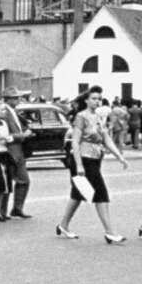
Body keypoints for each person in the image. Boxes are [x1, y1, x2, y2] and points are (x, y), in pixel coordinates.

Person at [56, 86, 129, 242]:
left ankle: (63, 225)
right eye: (94, 98)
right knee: (100, 193)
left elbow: (106, 139)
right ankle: (110, 231)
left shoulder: (98, 117)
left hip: (95, 159)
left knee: (78, 194)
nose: (97, 101)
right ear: (86, 100)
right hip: (83, 159)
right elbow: (75, 142)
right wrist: (79, 165)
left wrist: (119, 156)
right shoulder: (81, 117)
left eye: (99, 99)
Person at [0, 87, 33, 219]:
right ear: (8, 99)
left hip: (18, 151)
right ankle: (1, 210)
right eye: (15, 98)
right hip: (10, 150)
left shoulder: (14, 112)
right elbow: (6, 134)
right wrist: (23, 135)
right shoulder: (5, 112)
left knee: (23, 180)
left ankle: (16, 208)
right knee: (7, 183)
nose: (18, 100)